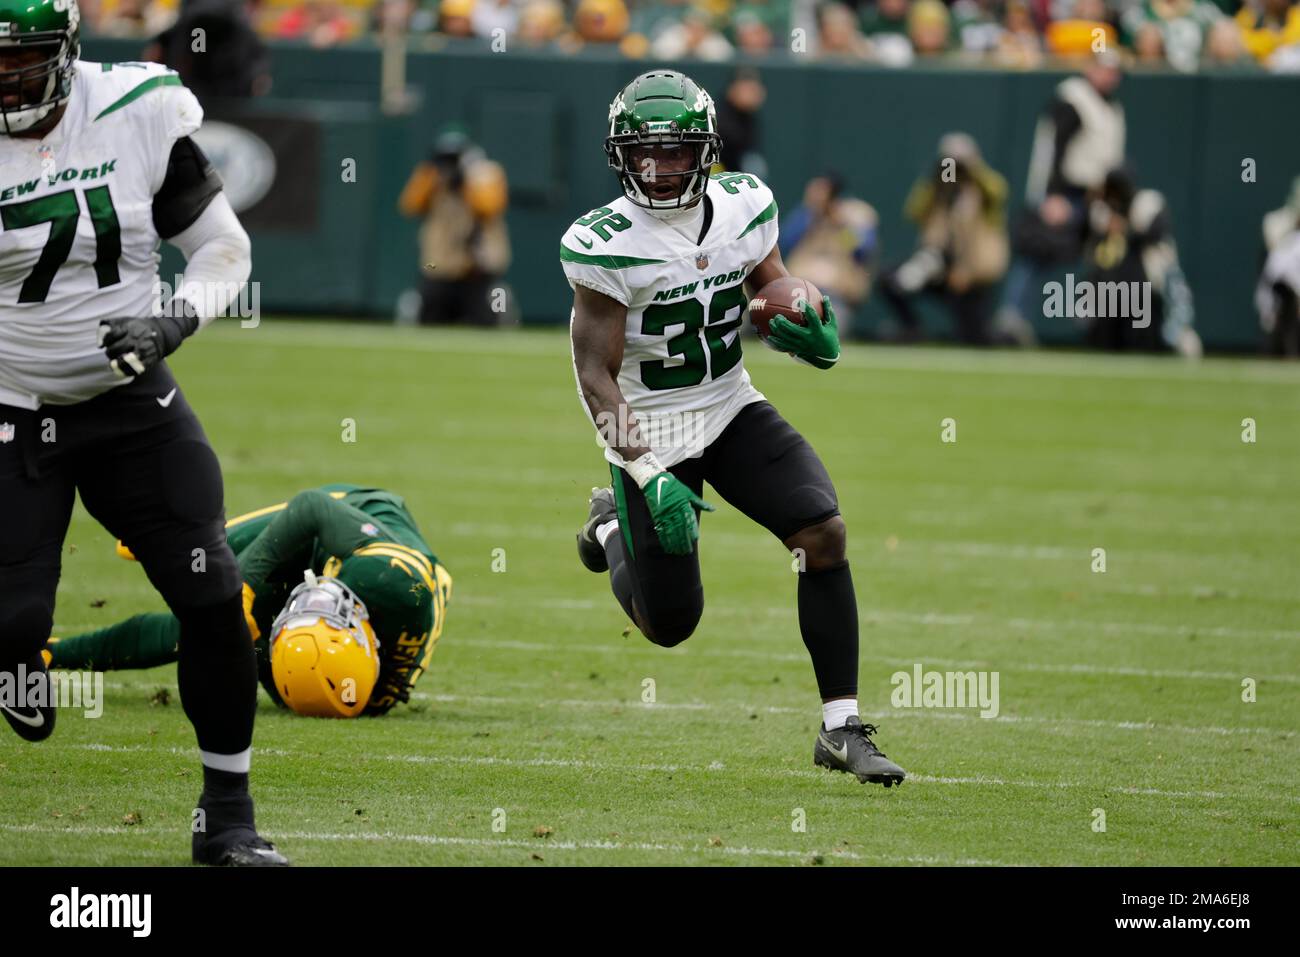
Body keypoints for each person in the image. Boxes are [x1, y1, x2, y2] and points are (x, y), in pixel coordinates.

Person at [562, 70, 906, 787]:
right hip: (648, 427)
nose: (660, 169)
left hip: (727, 403)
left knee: (824, 532)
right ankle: (609, 527)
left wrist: (804, 324)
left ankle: (841, 727)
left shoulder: (746, 204)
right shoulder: (604, 243)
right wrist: (648, 473)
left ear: (708, 151)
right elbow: (596, 376)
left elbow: (768, 287)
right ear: (620, 157)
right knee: (671, 624)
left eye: (678, 152)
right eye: (645, 154)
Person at [0, 0, 283, 866]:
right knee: (13, 626)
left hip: (131, 404)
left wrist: (169, 323)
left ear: (69, 51)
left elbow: (223, 250)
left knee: (211, 594)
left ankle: (227, 816)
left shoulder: (136, 109)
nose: (9, 76)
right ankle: (16, 658)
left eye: (25, 59)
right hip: (11, 407)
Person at [45, 484, 453, 718]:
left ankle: (49, 655)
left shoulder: (360, 695)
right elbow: (310, 508)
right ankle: (180, 536)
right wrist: (243, 587)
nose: (310, 604)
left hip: (348, 583)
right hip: (354, 521)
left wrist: (238, 634)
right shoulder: (397, 589)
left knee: (205, 627)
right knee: (209, 565)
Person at [999, 51, 1125, 335]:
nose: (1108, 76)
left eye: (1113, 71)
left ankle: (1097, 323)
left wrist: (1113, 203)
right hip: (1066, 192)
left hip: (1098, 196)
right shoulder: (1072, 99)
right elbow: (1051, 150)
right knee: (1037, 252)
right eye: (1103, 68)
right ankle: (1012, 317)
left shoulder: (1112, 106)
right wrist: (1050, 195)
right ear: (1089, 68)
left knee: (1102, 258)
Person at [880, 133, 1009, 345]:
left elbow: (998, 191)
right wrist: (936, 179)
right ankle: (911, 328)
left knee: (976, 338)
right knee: (892, 280)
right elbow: (914, 211)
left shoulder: (983, 193)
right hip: (936, 267)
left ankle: (1007, 337)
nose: (954, 168)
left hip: (971, 275)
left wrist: (972, 169)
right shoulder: (939, 189)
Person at [398, 127, 512, 325]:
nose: (450, 166)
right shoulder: (432, 179)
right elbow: (410, 205)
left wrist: (468, 178)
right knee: (429, 320)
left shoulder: (485, 174)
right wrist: (430, 174)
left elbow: (489, 206)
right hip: (440, 266)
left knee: (485, 322)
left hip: (476, 268)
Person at [779, 172, 878, 336]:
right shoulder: (806, 214)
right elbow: (786, 241)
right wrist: (811, 214)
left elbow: (862, 251)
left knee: (826, 335)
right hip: (797, 295)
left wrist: (841, 224)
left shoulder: (855, 214)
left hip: (835, 296)